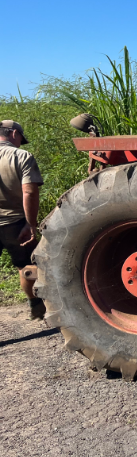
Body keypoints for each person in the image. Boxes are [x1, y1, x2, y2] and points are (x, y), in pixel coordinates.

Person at [0, 120, 44, 319]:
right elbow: (29, 191)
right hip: (15, 223)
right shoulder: (21, 156)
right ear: (15, 134)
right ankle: (35, 303)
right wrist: (31, 223)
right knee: (28, 266)